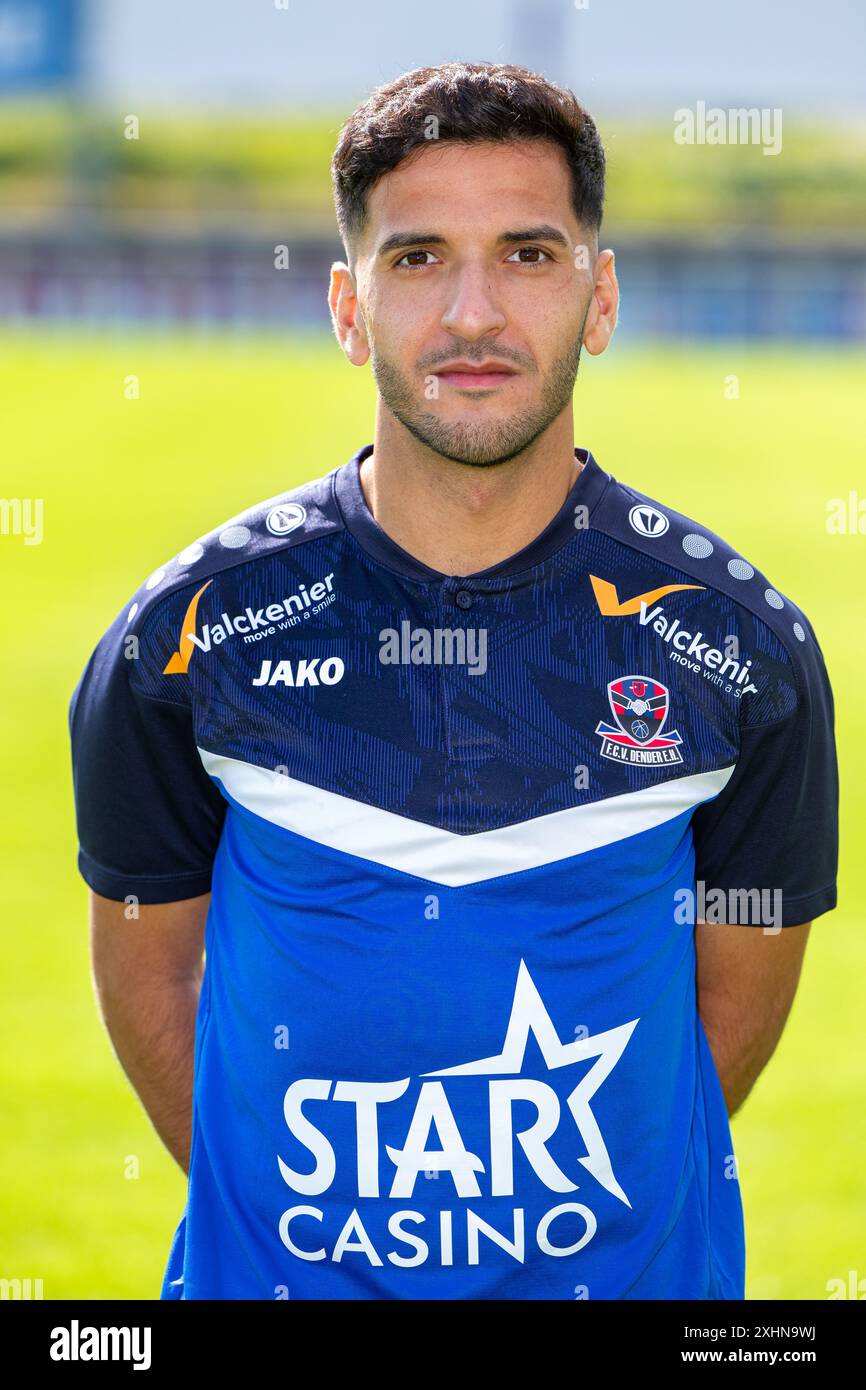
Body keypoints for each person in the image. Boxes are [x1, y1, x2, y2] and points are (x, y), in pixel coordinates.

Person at [69, 62, 838, 1300]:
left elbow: (729, 1012)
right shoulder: (186, 636)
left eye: (529, 255)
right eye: (418, 257)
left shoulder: (732, 647)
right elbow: (145, 965)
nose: (473, 314)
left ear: (598, 299)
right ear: (345, 306)